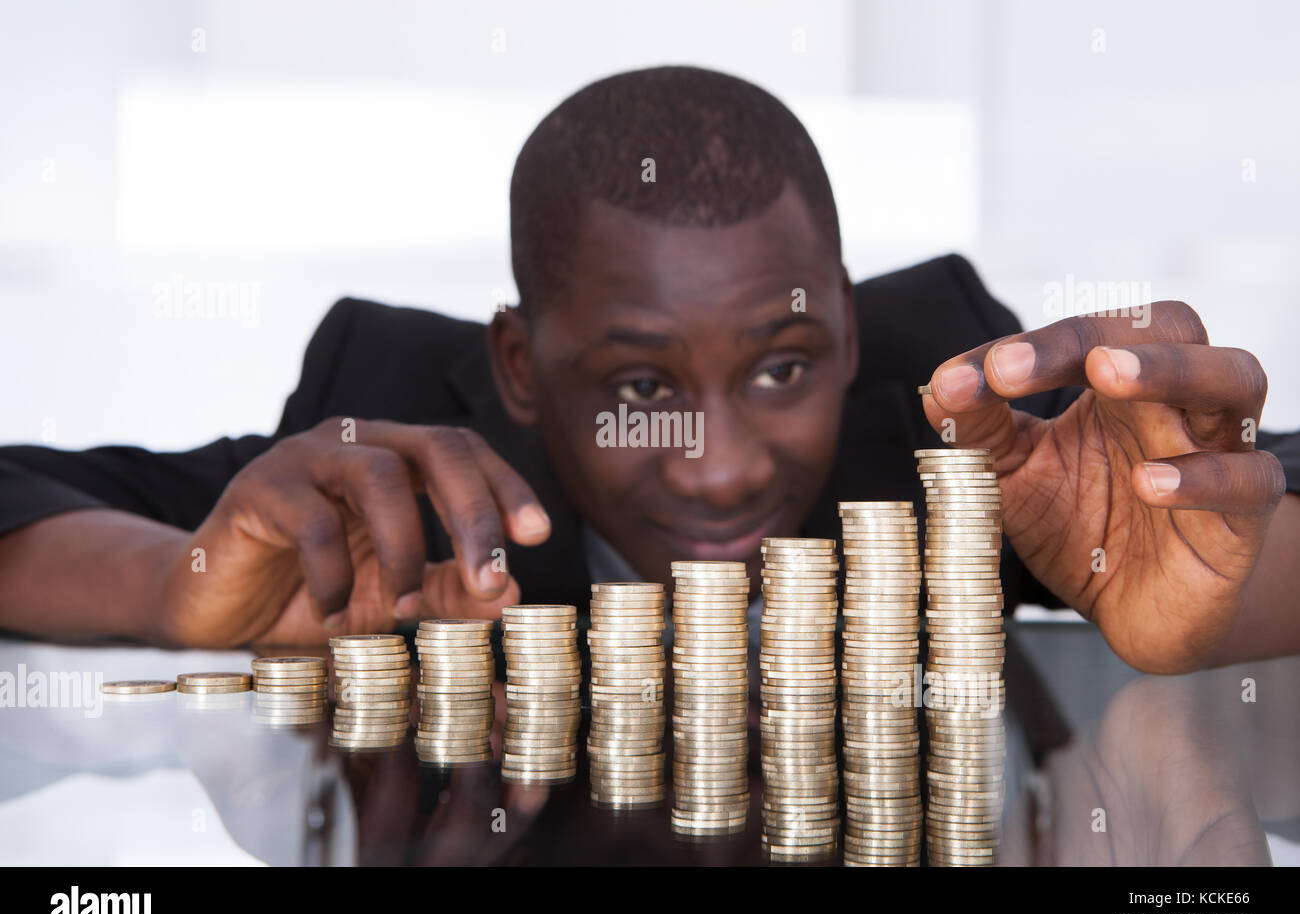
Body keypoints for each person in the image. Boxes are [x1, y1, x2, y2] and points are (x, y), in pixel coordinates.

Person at [0, 66, 1296, 674]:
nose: (724, 465)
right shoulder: (396, 434)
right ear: (518, 365)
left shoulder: (951, 420)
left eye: (785, 368)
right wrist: (176, 591)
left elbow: (1232, 510)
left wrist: (1236, 589)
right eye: (635, 389)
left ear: (845, 330)